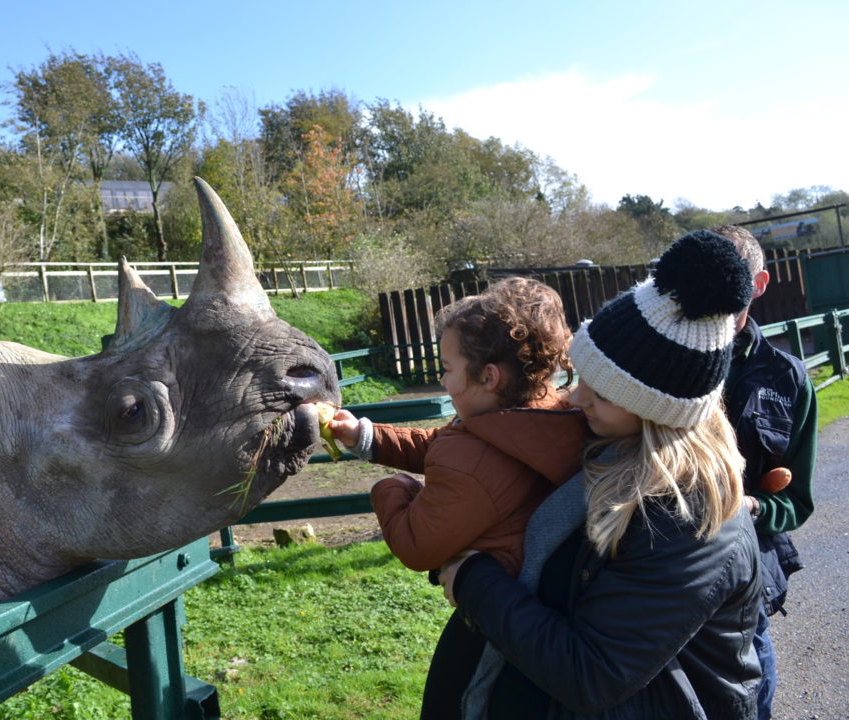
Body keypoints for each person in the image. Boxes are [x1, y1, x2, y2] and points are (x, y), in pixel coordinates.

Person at [438, 230, 763, 719]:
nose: (574, 397)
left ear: (658, 411)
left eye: (604, 392)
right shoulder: (605, 454)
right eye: (581, 373)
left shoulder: (691, 519)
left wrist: (473, 580)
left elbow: (593, 673)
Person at [327, 276, 588, 719]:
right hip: (539, 612)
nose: (440, 379)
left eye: (447, 368)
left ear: (488, 376)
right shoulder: (551, 414)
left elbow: (416, 545)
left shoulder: (473, 454)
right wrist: (364, 436)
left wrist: (391, 488)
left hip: (491, 632)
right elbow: (446, 444)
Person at [709, 224, 818, 720]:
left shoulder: (788, 378)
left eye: (729, 276)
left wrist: (751, 505)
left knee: (749, 696)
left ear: (759, 284)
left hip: (744, 570)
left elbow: (795, 501)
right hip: (658, 564)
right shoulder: (655, 362)